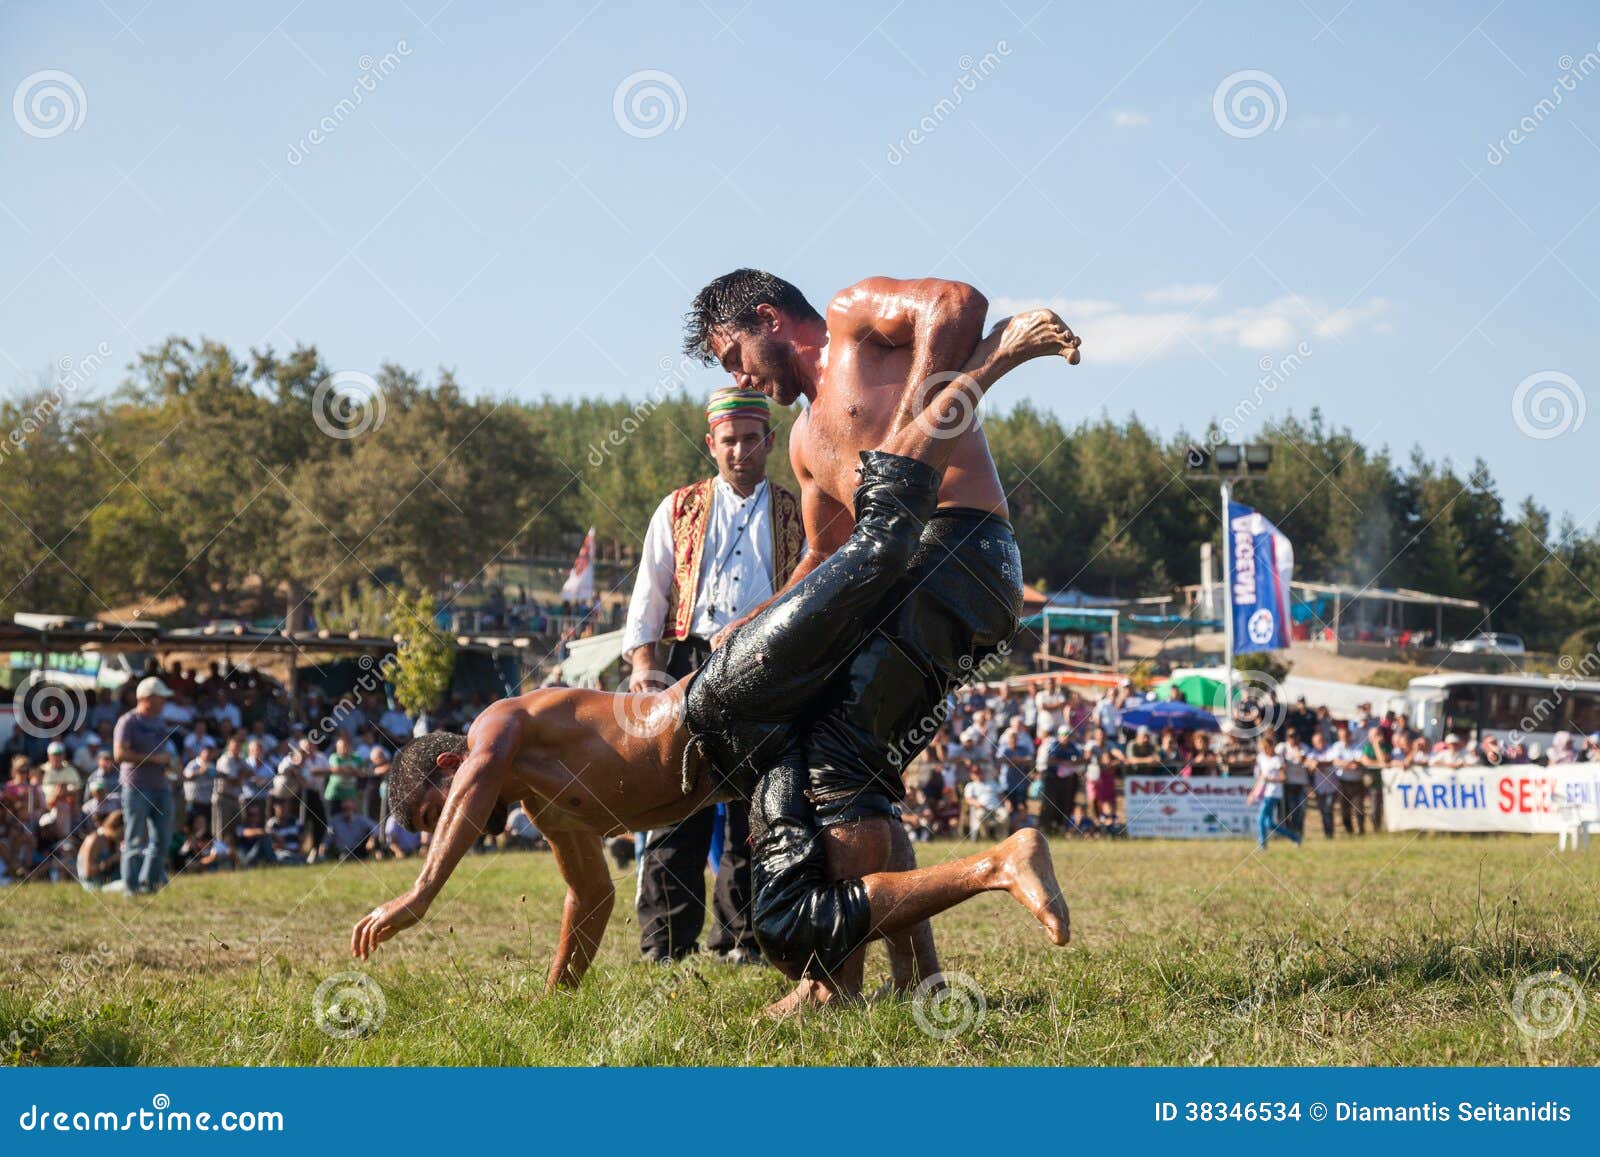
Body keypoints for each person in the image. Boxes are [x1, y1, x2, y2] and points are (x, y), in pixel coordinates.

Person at [353, 328, 1076, 1002]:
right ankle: (921, 976)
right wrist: (557, 1001)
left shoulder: (500, 727)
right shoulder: (549, 807)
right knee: (844, 814)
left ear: (448, 770)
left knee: (879, 546)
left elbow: (481, 773)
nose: (456, 828)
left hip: (723, 690)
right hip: (741, 741)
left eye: (434, 814)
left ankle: (987, 364)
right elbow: (593, 899)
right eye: (432, 830)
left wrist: (419, 894)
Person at [686, 270, 1079, 1007]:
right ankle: (919, 979)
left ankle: (834, 983)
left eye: (733, 354)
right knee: (848, 770)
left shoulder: (851, 319)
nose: (737, 376)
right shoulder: (803, 441)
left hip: (959, 552)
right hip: (903, 578)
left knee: (838, 767)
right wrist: (753, 619)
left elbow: (958, 304)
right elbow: (823, 555)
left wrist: (915, 418)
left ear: (767, 318)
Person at [620, 386, 803, 964]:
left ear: (770, 442)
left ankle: (744, 940)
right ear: (710, 444)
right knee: (676, 801)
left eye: (752, 439)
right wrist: (645, 668)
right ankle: (666, 944)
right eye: (730, 441)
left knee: (755, 804)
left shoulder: (796, 511)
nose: (741, 451)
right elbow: (648, 593)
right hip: (690, 662)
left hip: (766, 664)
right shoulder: (677, 508)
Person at [114, 675, 180, 894]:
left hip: (161, 786)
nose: (164, 702)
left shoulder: (160, 723)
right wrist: (154, 759)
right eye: (161, 698)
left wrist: (169, 763)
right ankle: (130, 888)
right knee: (134, 839)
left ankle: (149, 884)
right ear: (147, 698)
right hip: (136, 787)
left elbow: (164, 753)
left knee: (162, 839)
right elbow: (120, 753)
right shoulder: (128, 721)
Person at [1249, 736, 1302, 850]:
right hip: (1264, 793)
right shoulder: (1261, 758)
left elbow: (1284, 778)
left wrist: (1271, 780)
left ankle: (1262, 845)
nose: (1263, 750)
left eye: (1264, 748)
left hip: (1273, 793)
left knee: (1260, 818)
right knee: (1269, 823)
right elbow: (1261, 777)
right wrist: (1253, 793)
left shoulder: (1277, 760)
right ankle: (1295, 837)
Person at [76, 810, 126, 892]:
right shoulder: (94, 840)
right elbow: (88, 872)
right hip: (94, 886)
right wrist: (112, 860)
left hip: (108, 882)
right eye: (123, 832)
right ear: (115, 827)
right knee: (126, 885)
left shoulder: (113, 841)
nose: (123, 836)